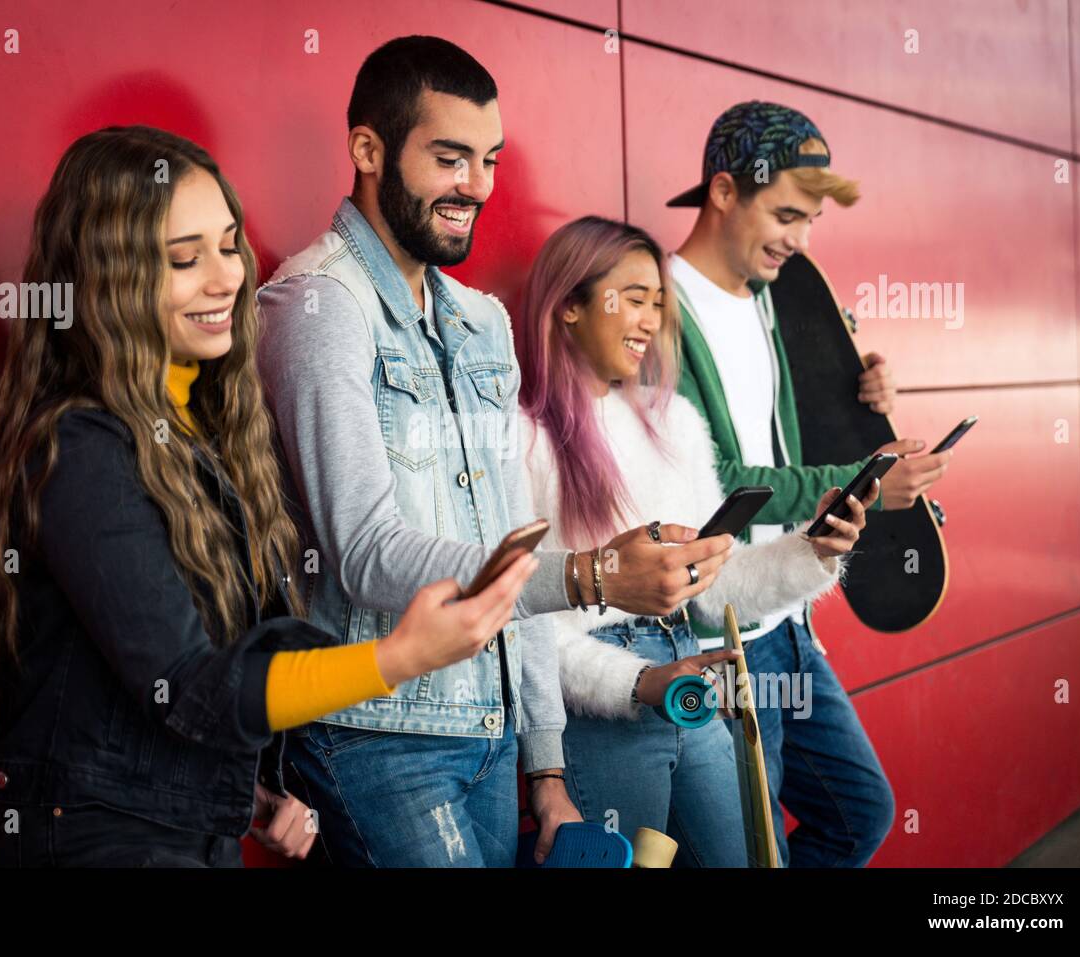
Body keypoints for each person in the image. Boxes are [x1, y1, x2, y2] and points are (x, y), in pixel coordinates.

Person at [0, 124, 536, 867]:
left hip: (189, 830)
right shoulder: (84, 447)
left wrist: (249, 794)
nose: (226, 277)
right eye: (182, 259)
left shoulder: (199, 428)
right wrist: (398, 656)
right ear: (106, 279)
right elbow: (190, 687)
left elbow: (175, 698)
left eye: (228, 245)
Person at [256, 36, 729, 866]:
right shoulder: (316, 307)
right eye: (449, 158)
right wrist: (593, 577)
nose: (476, 185)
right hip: (375, 736)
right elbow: (365, 553)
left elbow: (517, 533)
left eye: (489, 160)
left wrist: (544, 762)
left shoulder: (481, 321)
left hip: (492, 736)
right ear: (367, 150)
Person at [516, 215, 874, 865]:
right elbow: (527, 628)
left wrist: (816, 549)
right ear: (567, 304)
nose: (652, 319)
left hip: (689, 685)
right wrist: (640, 679)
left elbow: (718, 581)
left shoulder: (673, 420)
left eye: (658, 301)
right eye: (631, 297)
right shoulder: (522, 439)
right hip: (601, 714)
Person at [665, 100, 949, 865]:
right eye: (787, 214)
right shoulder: (663, 306)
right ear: (723, 191)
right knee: (756, 854)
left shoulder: (766, 298)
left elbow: (795, 432)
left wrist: (866, 396)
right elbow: (720, 480)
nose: (802, 238)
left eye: (812, 219)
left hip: (787, 620)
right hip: (722, 636)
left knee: (859, 813)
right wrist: (865, 485)